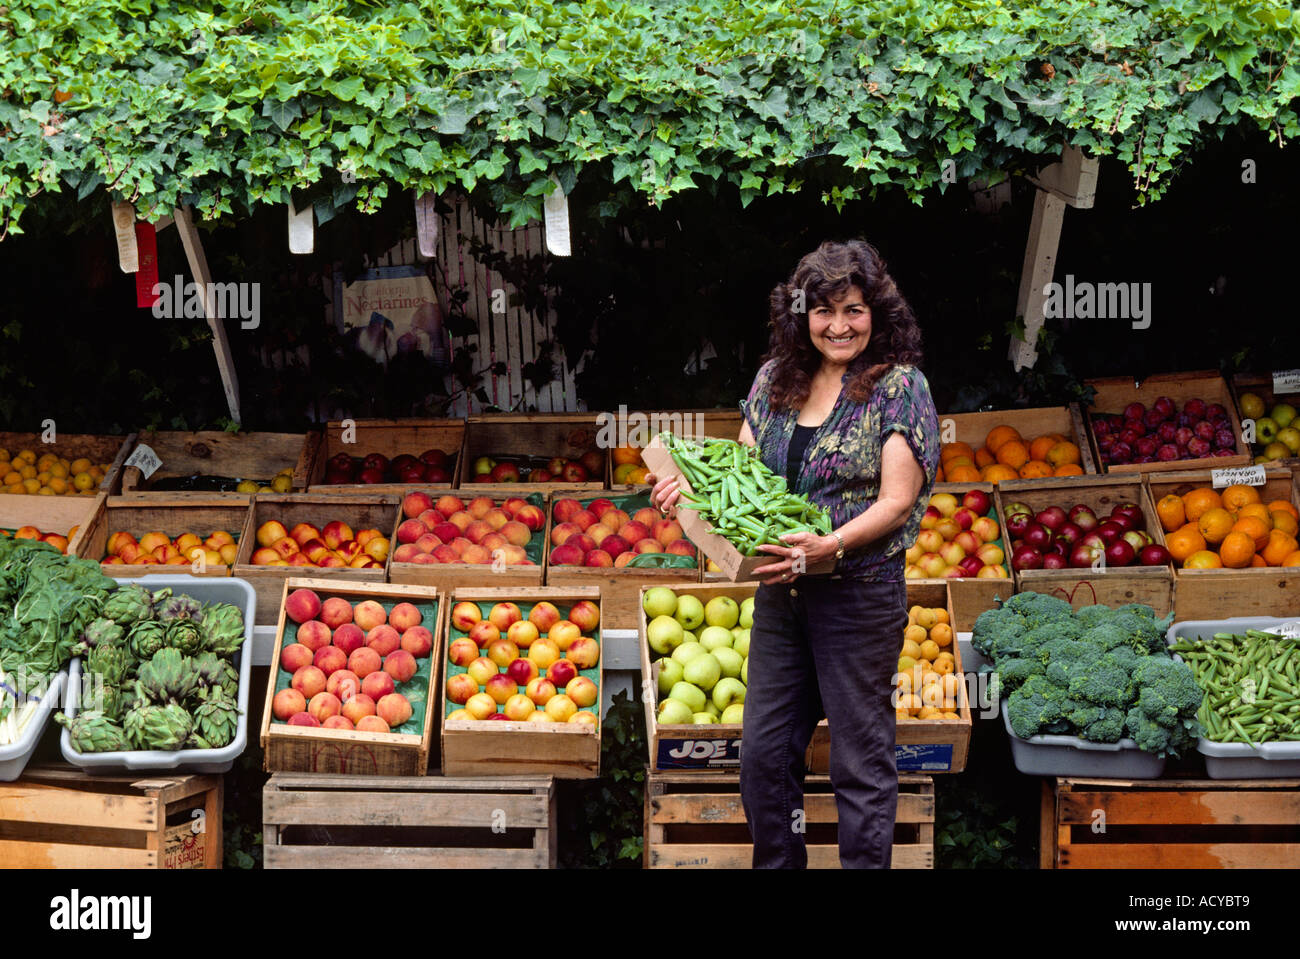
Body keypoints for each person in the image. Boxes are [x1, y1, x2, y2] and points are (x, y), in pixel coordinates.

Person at [649, 239, 940, 868]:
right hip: (781, 594)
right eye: (824, 311)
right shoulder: (775, 380)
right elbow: (738, 473)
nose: (839, 326)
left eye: (854, 310)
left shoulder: (899, 388)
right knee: (764, 756)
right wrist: (686, 490)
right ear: (801, 315)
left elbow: (896, 499)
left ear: (877, 313)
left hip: (858, 598)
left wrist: (828, 543)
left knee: (859, 762)